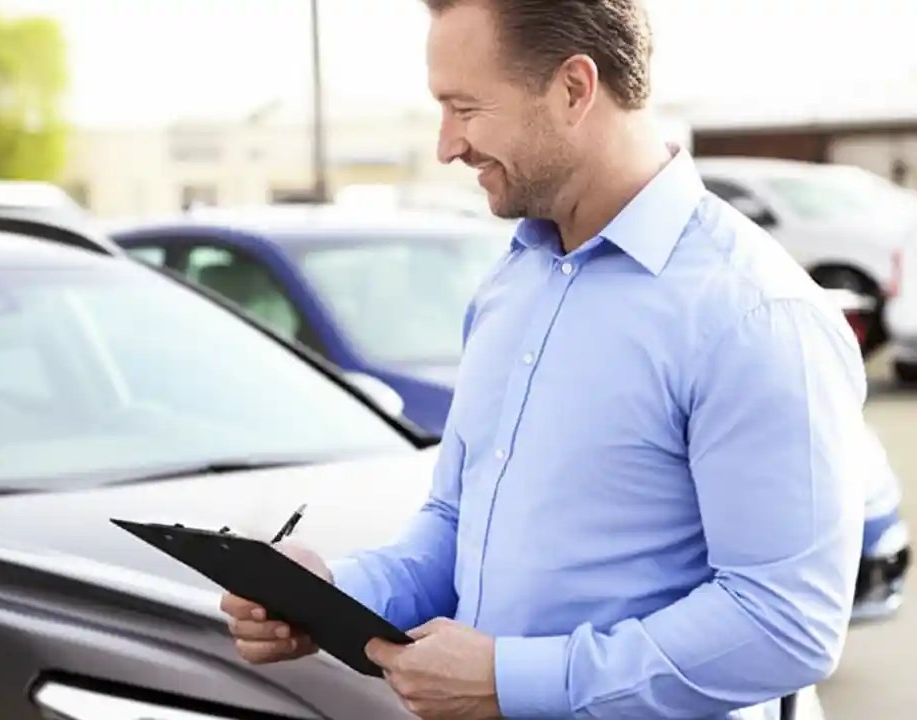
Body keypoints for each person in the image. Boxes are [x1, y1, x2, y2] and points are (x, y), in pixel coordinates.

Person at [219, 0, 868, 718]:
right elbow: (459, 521)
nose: (446, 147)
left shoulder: (753, 313)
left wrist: (513, 678)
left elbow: (784, 625)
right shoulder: (512, 285)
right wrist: (335, 593)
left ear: (573, 89)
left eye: (465, 109)